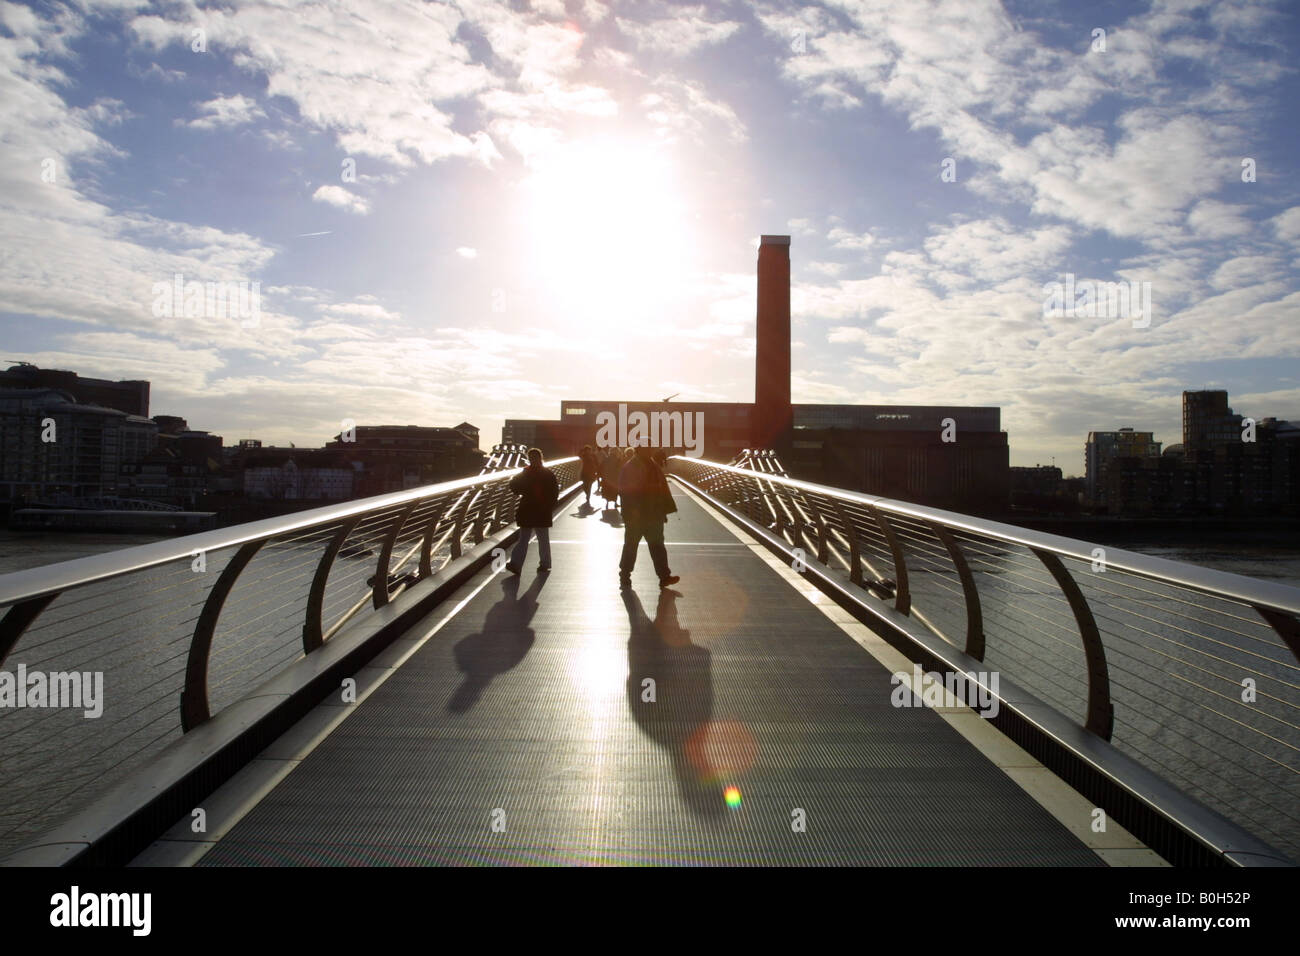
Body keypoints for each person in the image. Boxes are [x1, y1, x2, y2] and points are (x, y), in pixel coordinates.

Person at [618, 442, 679, 589]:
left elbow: (662, 489)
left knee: (656, 546)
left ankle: (664, 576)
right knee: (632, 546)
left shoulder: (652, 465)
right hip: (637, 516)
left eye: (651, 448)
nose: (650, 450)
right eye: (648, 448)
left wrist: (663, 511)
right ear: (640, 449)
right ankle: (625, 575)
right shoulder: (632, 467)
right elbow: (626, 492)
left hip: (653, 515)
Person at [506, 447, 559, 574]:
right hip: (542, 510)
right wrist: (549, 505)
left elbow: (513, 485)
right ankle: (545, 564)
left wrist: (521, 491)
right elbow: (554, 492)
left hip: (528, 508)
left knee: (524, 538)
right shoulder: (547, 473)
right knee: (542, 538)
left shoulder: (526, 472)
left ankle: (516, 564)